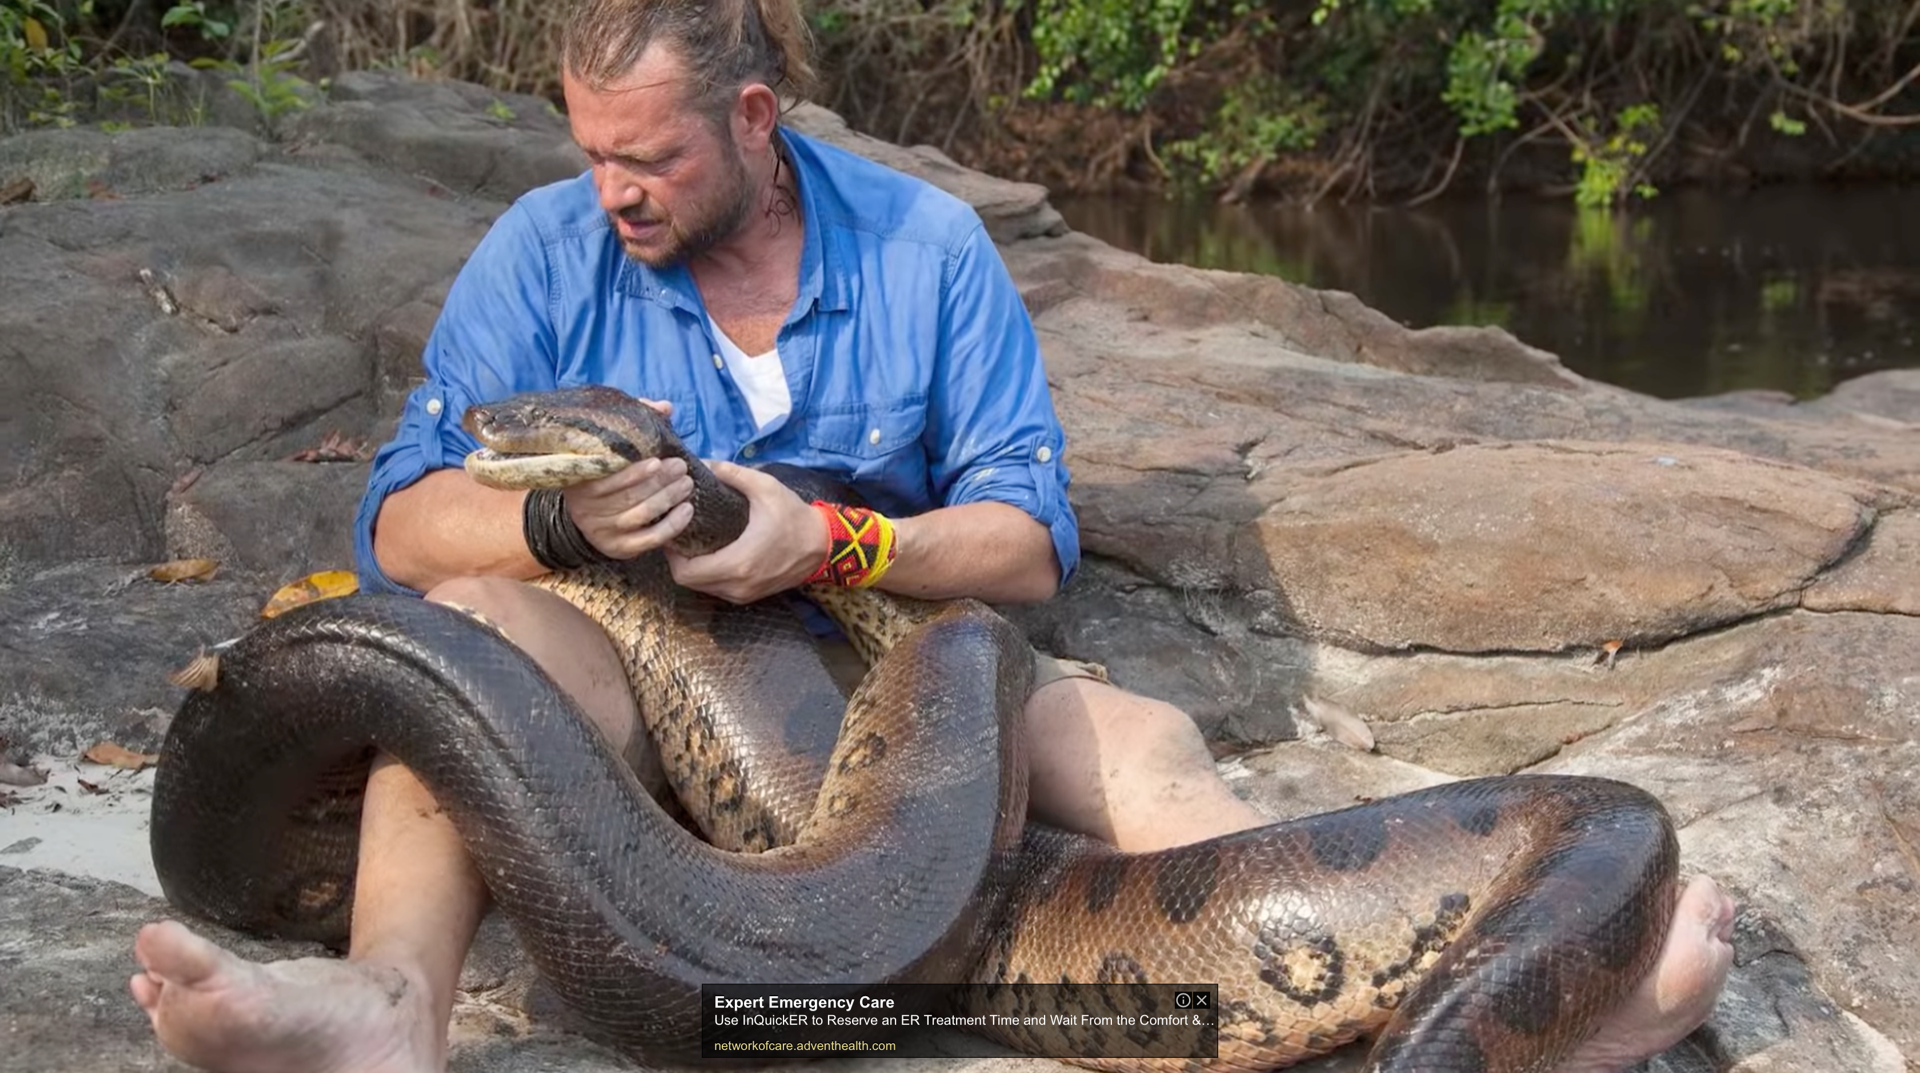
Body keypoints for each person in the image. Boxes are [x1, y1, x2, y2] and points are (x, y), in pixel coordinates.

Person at [127, 1, 1736, 1070]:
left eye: (651, 155)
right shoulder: (544, 252)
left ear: (755, 117)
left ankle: (1477, 1003)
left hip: (898, 664)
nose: (610, 187)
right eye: (592, 150)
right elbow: (400, 522)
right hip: (624, 645)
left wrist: (832, 543)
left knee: (1147, 753)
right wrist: (555, 516)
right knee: (465, 656)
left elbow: (1024, 550)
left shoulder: (925, 249)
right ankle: (390, 1008)